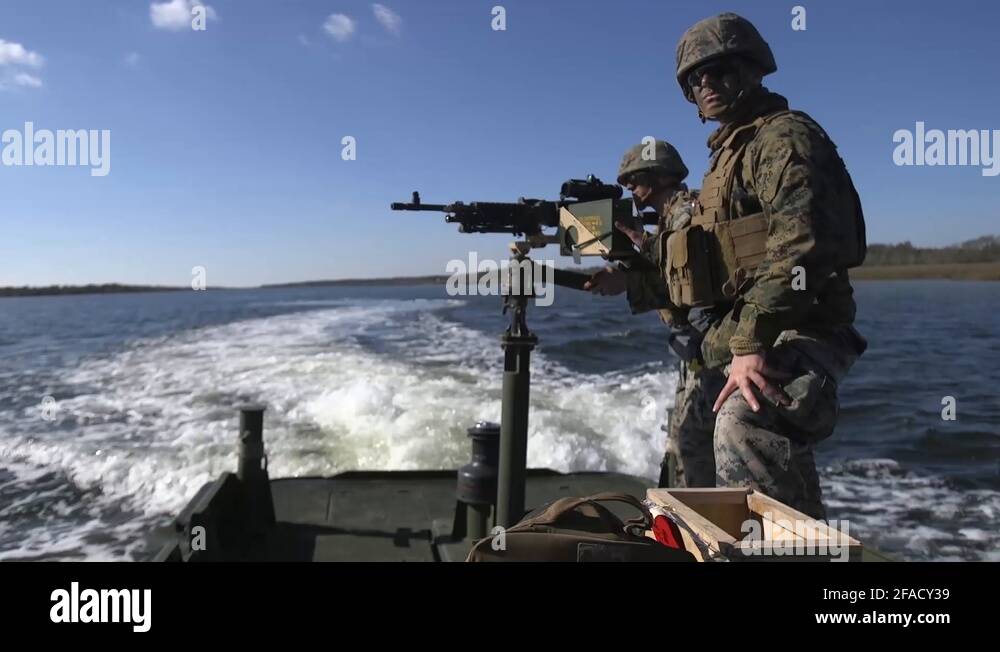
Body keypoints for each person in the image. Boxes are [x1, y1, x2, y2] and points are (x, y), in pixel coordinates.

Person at [665, 12, 868, 519]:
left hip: (799, 325)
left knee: (745, 419)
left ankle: (776, 551)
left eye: (719, 70)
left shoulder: (783, 140)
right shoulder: (728, 155)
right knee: (689, 423)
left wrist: (749, 341)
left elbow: (801, 250)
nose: (705, 84)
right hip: (743, 331)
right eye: (695, 79)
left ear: (752, 69)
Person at [585, 140, 723, 489]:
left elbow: (688, 283)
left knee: (693, 447)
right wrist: (625, 270)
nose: (629, 187)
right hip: (695, 353)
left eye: (634, 178)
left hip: (712, 351)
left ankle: (704, 531)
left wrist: (631, 268)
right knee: (682, 445)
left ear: (659, 176)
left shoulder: (687, 214)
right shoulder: (667, 221)